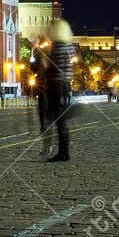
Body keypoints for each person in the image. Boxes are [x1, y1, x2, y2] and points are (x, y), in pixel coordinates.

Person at [46, 22, 75, 162]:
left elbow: (54, 68)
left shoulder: (57, 47)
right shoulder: (70, 46)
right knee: (62, 120)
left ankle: (63, 153)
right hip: (66, 85)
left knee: (59, 120)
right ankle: (64, 152)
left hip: (57, 85)